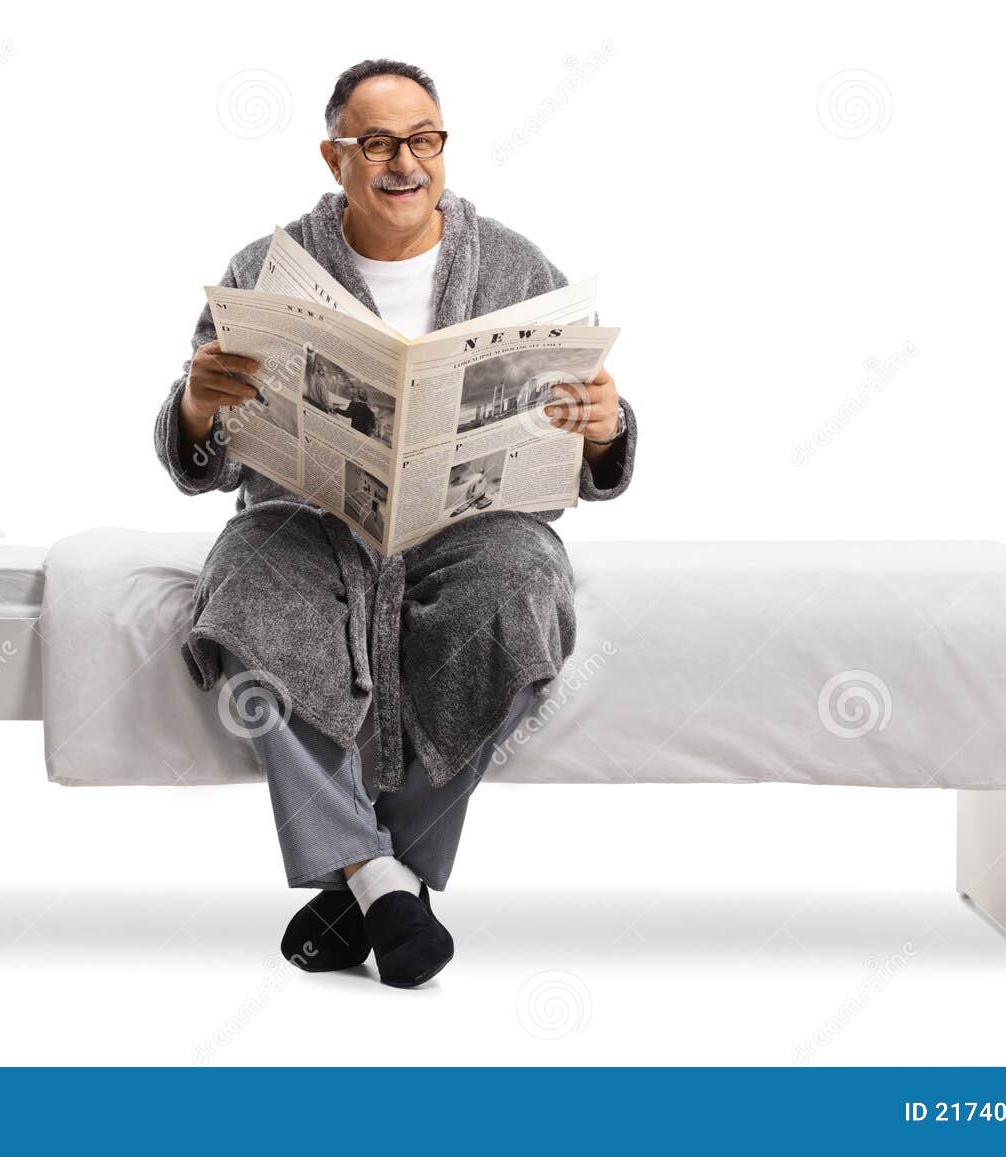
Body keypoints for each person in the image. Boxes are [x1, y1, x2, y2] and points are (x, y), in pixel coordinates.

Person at [153, 59, 636, 988]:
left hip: (471, 525)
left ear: (443, 147)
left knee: (522, 589)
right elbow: (193, 458)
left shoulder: (516, 266)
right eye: (376, 142)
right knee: (246, 584)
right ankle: (387, 880)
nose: (403, 161)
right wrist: (197, 407)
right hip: (308, 520)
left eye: (423, 139)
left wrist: (605, 429)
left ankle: (363, 881)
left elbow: (594, 442)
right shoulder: (267, 268)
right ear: (335, 156)